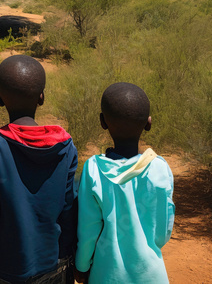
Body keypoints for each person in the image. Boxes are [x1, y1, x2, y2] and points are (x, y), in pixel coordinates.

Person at [0, 55, 78, 284]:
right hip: (53, 264)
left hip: (6, 269)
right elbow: (69, 208)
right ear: (41, 97)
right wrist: (67, 257)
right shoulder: (65, 147)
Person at [74, 82, 174, 284]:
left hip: (105, 275)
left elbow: (88, 230)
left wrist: (82, 266)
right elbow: (163, 231)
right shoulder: (160, 167)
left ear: (103, 122)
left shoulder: (94, 169)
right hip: (152, 275)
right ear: (148, 123)